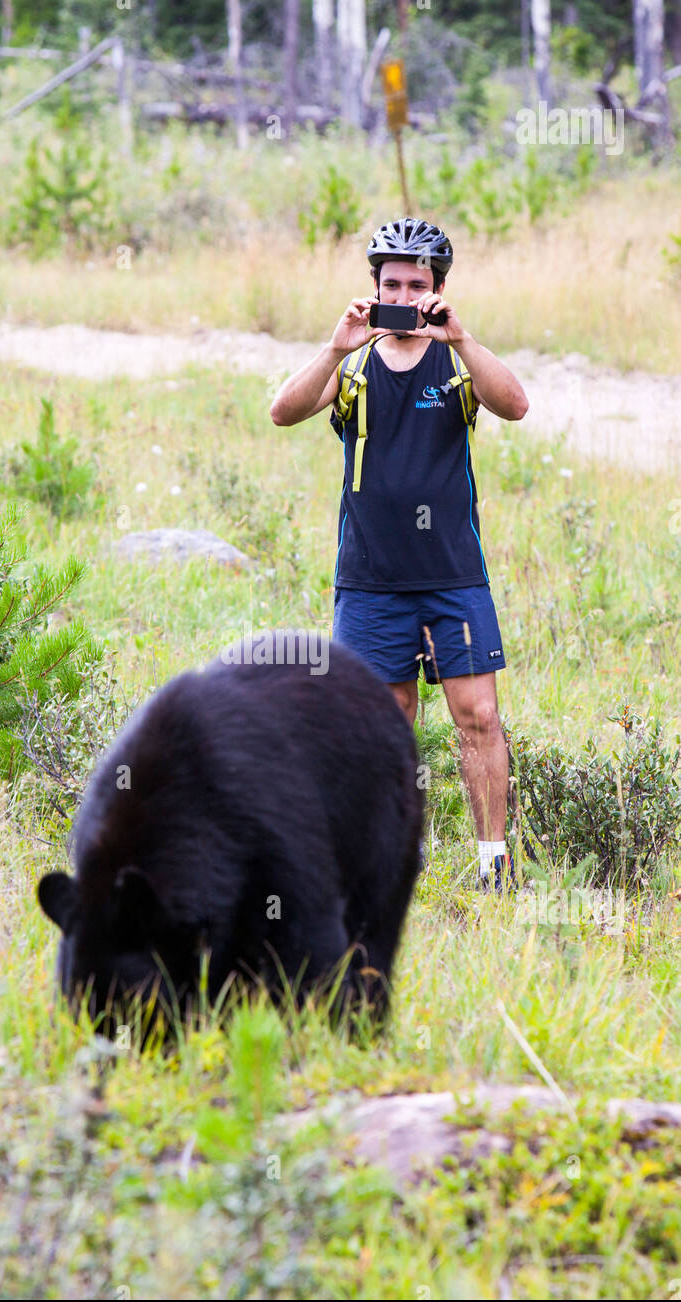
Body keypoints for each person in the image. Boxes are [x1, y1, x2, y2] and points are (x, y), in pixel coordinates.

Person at [270, 217, 529, 893]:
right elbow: (282, 411)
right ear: (373, 287)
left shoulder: (457, 360)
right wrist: (332, 350)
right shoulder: (351, 367)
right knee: (385, 725)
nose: (404, 295)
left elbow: (516, 405)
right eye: (391, 284)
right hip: (370, 582)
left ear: (437, 288)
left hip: (451, 577)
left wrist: (463, 338)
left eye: (417, 285)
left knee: (477, 718)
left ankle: (493, 867)